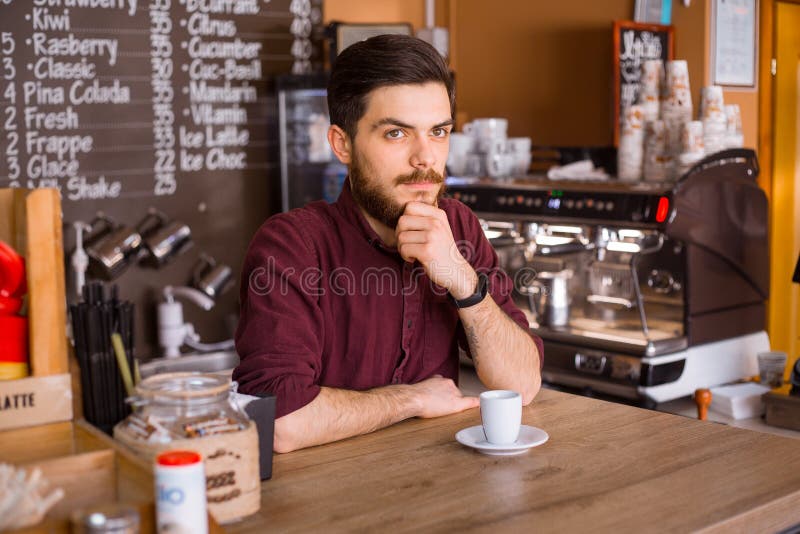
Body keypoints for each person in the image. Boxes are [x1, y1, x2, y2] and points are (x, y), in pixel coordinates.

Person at [234, 34, 543, 453]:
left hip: (441, 493)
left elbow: (522, 384)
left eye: (438, 131)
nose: (425, 158)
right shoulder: (292, 245)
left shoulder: (458, 227)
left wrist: (462, 280)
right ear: (342, 144)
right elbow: (282, 422)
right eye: (397, 133)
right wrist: (410, 399)